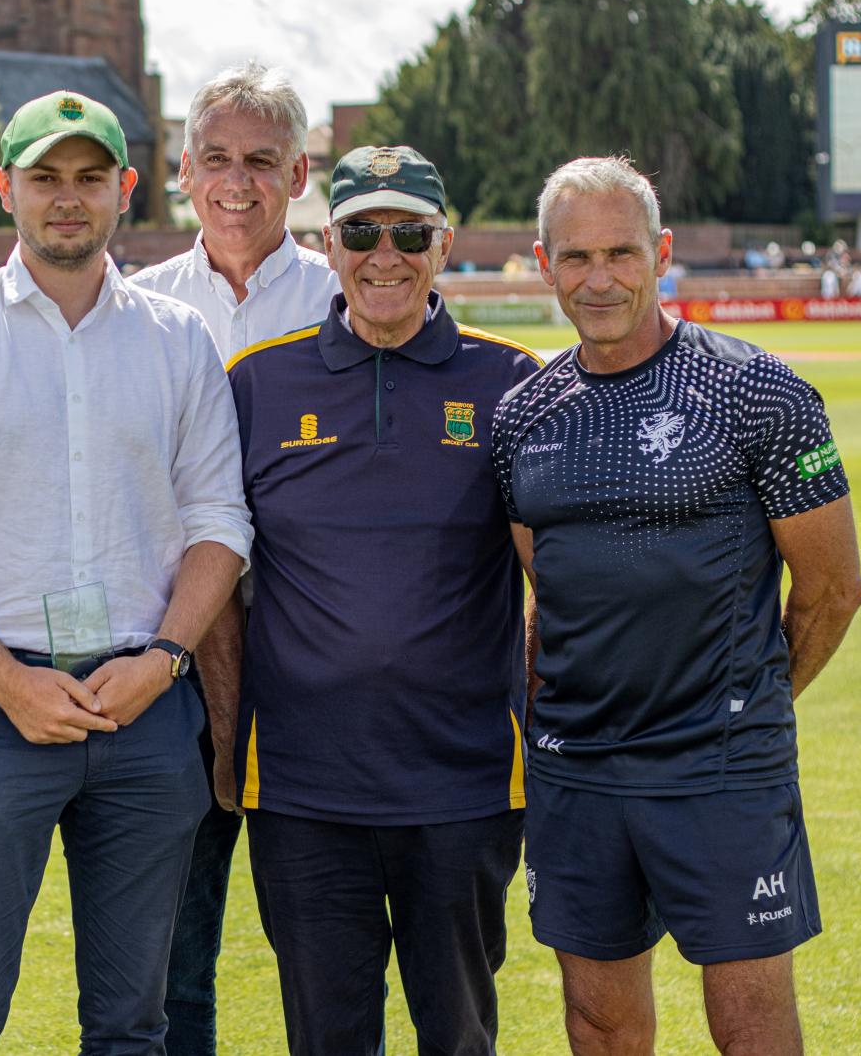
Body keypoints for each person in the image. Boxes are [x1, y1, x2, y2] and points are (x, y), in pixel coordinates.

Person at [0, 90, 252, 1055]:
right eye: (45, 177)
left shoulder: (177, 339)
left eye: (89, 178)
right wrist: (7, 681)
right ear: (7, 188)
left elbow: (220, 522)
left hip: (144, 702)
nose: (67, 199)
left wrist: (165, 659)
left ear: (125, 189)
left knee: (133, 1024)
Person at [493, 155, 861, 1056]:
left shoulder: (757, 392)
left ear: (660, 253)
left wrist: (751, 700)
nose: (600, 278)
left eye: (621, 253)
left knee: (749, 1026)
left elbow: (832, 589)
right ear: (544, 265)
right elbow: (548, 593)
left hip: (722, 769)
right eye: (576, 258)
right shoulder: (522, 418)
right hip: (577, 770)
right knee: (600, 1022)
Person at [223, 145, 537, 1056]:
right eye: (364, 230)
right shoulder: (258, 381)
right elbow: (214, 577)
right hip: (302, 789)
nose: (385, 253)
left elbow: (550, 582)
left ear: (445, 244)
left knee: (460, 1036)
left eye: (409, 232)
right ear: (330, 243)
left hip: (465, 785)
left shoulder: (513, 379)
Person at [126, 60, 335, 1055]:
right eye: (216, 159)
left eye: (262, 160)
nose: (237, 182)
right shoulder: (135, 309)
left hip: (319, 675)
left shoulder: (349, 301)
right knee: (172, 965)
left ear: (299, 175)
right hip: (170, 670)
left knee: (326, 962)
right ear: (181, 171)